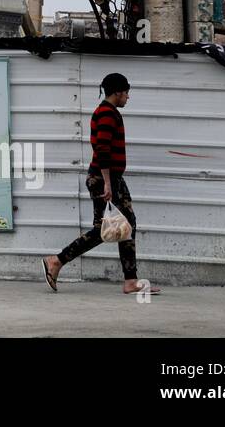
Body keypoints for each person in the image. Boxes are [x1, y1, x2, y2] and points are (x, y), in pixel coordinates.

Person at [43, 72, 161, 295]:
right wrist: (107, 183)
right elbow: (103, 150)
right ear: (117, 92)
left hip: (112, 178)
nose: (128, 97)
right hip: (104, 178)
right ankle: (56, 261)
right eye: (126, 93)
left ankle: (130, 280)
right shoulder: (106, 114)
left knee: (127, 224)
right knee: (103, 230)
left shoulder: (107, 112)